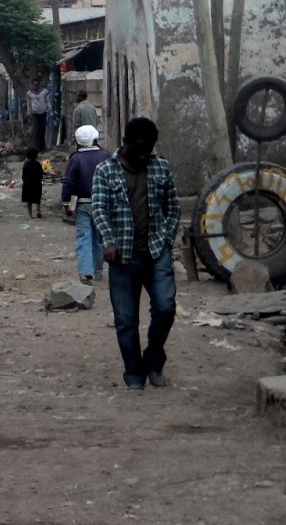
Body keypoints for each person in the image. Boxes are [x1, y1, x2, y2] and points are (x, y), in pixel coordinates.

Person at [91, 116, 182, 391]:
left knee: (166, 308)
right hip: (123, 257)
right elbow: (99, 209)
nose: (145, 155)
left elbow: (173, 207)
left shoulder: (161, 167)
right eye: (140, 148)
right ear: (126, 143)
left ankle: (154, 359)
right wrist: (109, 241)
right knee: (126, 319)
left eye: (149, 149)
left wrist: (167, 238)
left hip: (156, 252)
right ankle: (134, 374)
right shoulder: (105, 171)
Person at [61, 125, 112, 283]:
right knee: (99, 238)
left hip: (82, 203)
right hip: (103, 204)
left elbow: (68, 182)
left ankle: (85, 271)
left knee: (84, 236)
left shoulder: (75, 158)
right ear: (95, 139)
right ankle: (97, 271)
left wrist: (65, 202)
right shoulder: (106, 156)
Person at [21, 146, 44, 218]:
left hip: (28, 184)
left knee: (29, 200)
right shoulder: (38, 164)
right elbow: (41, 174)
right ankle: (38, 209)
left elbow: (23, 175)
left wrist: (24, 181)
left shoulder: (26, 164)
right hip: (37, 184)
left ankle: (30, 214)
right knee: (37, 198)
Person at [26, 82, 50, 151]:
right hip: (34, 113)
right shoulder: (29, 94)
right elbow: (29, 105)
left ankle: (43, 147)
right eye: (33, 85)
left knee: (42, 130)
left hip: (43, 113)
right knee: (36, 130)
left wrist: (50, 110)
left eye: (36, 85)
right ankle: (36, 148)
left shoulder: (44, 92)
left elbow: (47, 101)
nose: (35, 86)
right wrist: (29, 115)